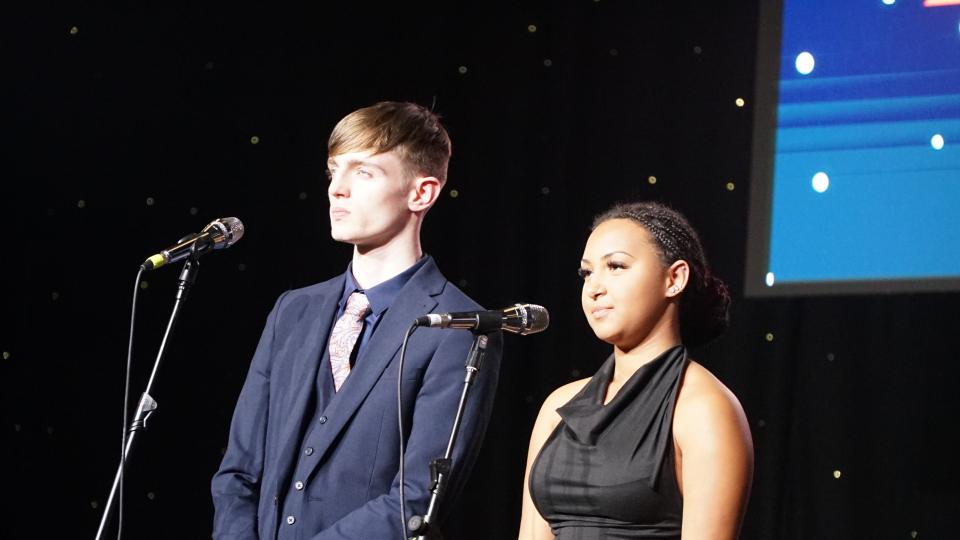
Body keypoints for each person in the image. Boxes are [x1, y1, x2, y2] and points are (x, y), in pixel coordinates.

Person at [212, 101, 502, 540]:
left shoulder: (460, 329)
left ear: (421, 193)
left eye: (364, 172)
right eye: (334, 171)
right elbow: (239, 470)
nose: (337, 189)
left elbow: (416, 499)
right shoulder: (293, 310)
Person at [518, 201, 753, 539]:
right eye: (586, 272)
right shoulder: (560, 407)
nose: (594, 287)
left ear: (674, 278)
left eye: (615, 266)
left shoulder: (704, 408)